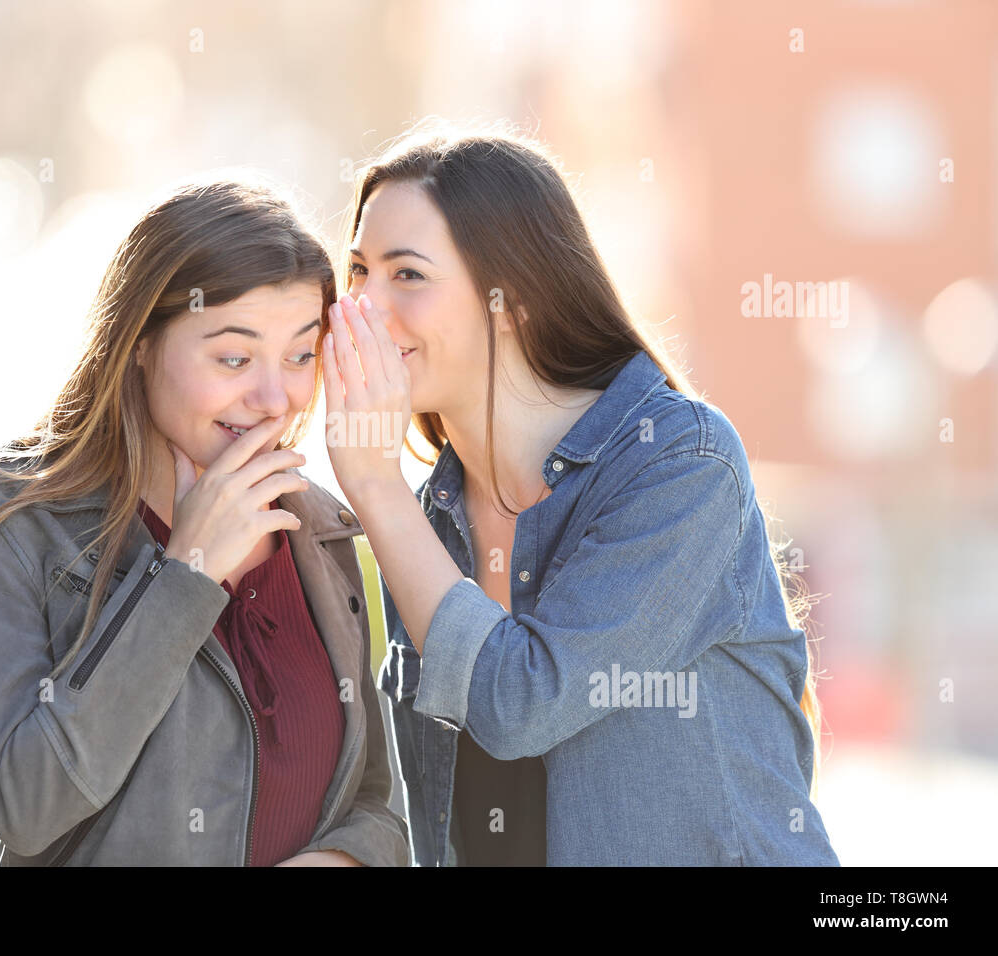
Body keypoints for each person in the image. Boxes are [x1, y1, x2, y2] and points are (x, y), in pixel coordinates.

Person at [320, 121, 839, 866]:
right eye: (358, 270)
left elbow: (520, 703)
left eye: (407, 274)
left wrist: (373, 485)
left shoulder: (680, 464)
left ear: (517, 298)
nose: (363, 307)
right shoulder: (428, 517)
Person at [0, 176, 409, 866]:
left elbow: (373, 805)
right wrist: (186, 574)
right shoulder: (16, 522)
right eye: (234, 358)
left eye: (301, 355)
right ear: (140, 343)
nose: (276, 398)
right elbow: (28, 807)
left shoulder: (321, 532)